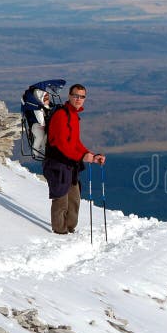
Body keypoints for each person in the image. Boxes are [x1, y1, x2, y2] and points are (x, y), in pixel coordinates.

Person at [42, 84, 106, 234]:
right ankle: (59, 233)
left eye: (82, 96)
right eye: (76, 95)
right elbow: (62, 144)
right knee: (61, 200)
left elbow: (75, 143)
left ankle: (70, 230)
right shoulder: (61, 115)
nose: (78, 99)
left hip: (70, 164)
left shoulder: (73, 116)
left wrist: (92, 156)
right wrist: (83, 156)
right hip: (57, 164)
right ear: (69, 96)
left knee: (74, 200)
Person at [30, 89, 51, 159]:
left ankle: (46, 151)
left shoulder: (47, 106)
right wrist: (43, 124)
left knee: (46, 138)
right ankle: (35, 151)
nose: (48, 100)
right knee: (40, 136)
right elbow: (40, 118)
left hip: (44, 126)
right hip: (37, 126)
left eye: (48, 98)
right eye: (46, 98)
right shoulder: (37, 107)